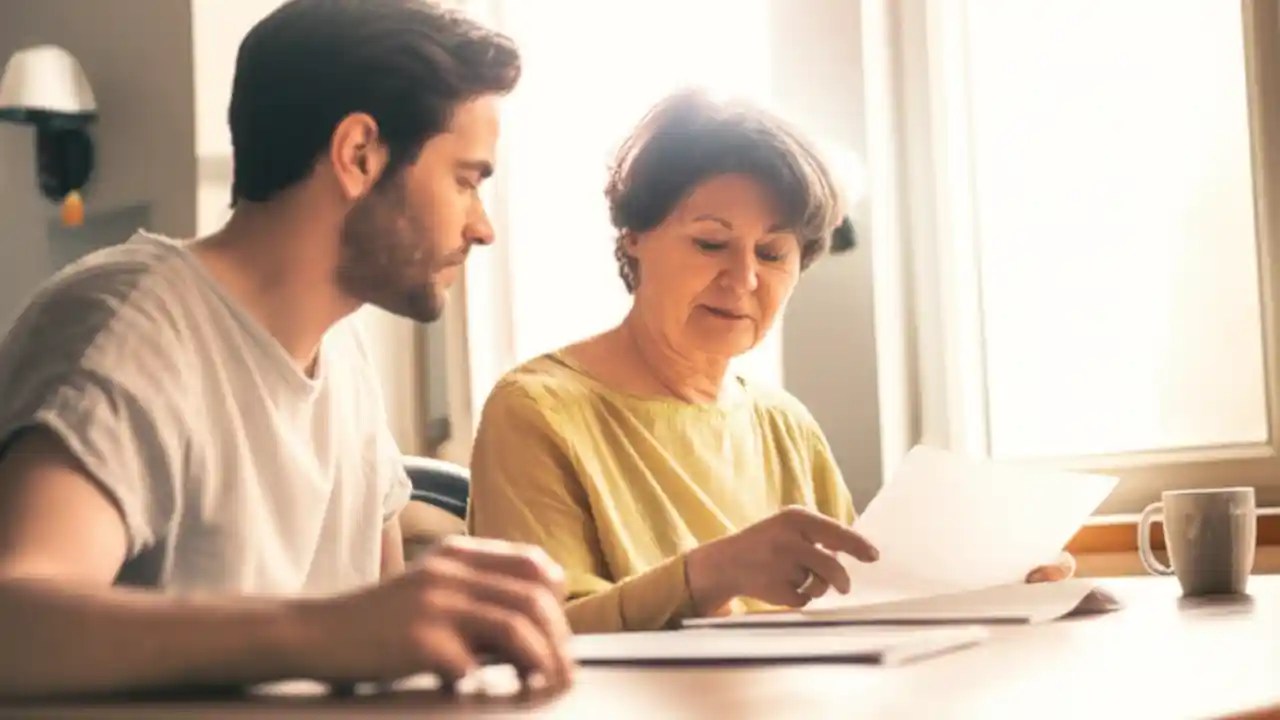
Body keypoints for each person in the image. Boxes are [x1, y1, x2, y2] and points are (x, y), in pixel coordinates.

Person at [0, 0, 572, 699]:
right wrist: (325, 632)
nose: (483, 228)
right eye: (466, 179)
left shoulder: (346, 352)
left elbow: (387, 628)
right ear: (359, 154)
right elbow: (15, 623)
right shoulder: (129, 325)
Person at [467, 90, 1073, 634]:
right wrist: (707, 576)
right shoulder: (537, 411)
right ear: (634, 236)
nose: (743, 279)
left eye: (773, 252)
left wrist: (991, 590)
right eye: (710, 243)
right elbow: (530, 633)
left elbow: (853, 608)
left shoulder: (784, 422)